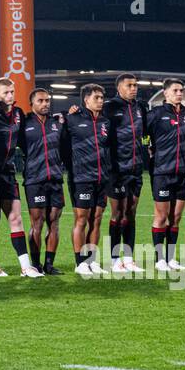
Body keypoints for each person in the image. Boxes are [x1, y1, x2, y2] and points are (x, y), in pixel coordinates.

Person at [0, 77, 41, 277]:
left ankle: (26, 267)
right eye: (5, 92)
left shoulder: (17, 114)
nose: (10, 95)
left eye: (12, 92)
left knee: (15, 218)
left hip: (8, 173)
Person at [62, 83, 112, 275]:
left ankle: (92, 260)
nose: (100, 101)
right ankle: (80, 262)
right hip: (81, 178)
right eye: (96, 98)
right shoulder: (72, 119)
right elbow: (63, 146)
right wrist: (73, 167)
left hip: (102, 178)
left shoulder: (105, 122)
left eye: (102, 98)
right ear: (86, 99)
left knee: (97, 220)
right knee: (81, 220)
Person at [19, 87, 67, 275]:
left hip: (55, 179)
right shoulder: (24, 124)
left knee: (54, 222)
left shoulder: (57, 124)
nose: (45, 104)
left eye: (47, 100)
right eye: (40, 101)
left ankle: (49, 264)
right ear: (32, 104)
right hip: (34, 180)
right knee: (36, 224)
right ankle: (36, 264)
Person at [145, 78, 185, 271]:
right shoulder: (156, 114)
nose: (179, 93)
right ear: (165, 93)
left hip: (181, 172)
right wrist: (147, 153)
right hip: (162, 172)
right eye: (175, 90)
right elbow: (141, 134)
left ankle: (171, 258)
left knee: (176, 217)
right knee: (161, 217)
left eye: (181, 90)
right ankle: (159, 259)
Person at [103, 73, 147, 273]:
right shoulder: (110, 107)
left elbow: (145, 134)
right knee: (117, 213)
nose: (134, 88)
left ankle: (128, 258)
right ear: (119, 87)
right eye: (129, 85)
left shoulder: (140, 108)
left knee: (131, 213)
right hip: (117, 170)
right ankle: (113, 259)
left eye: (135, 85)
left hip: (136, 169)